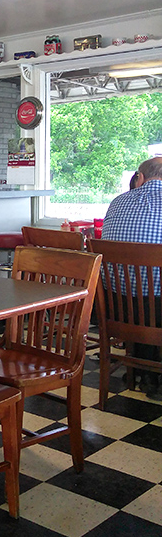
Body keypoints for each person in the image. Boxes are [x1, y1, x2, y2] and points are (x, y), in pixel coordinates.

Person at [102, 156, 162, 396]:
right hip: (157, 308)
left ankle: (143, 370)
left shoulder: (117, 202)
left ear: (140, 178)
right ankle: (151, 373)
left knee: (145, 294)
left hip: (116, 306)